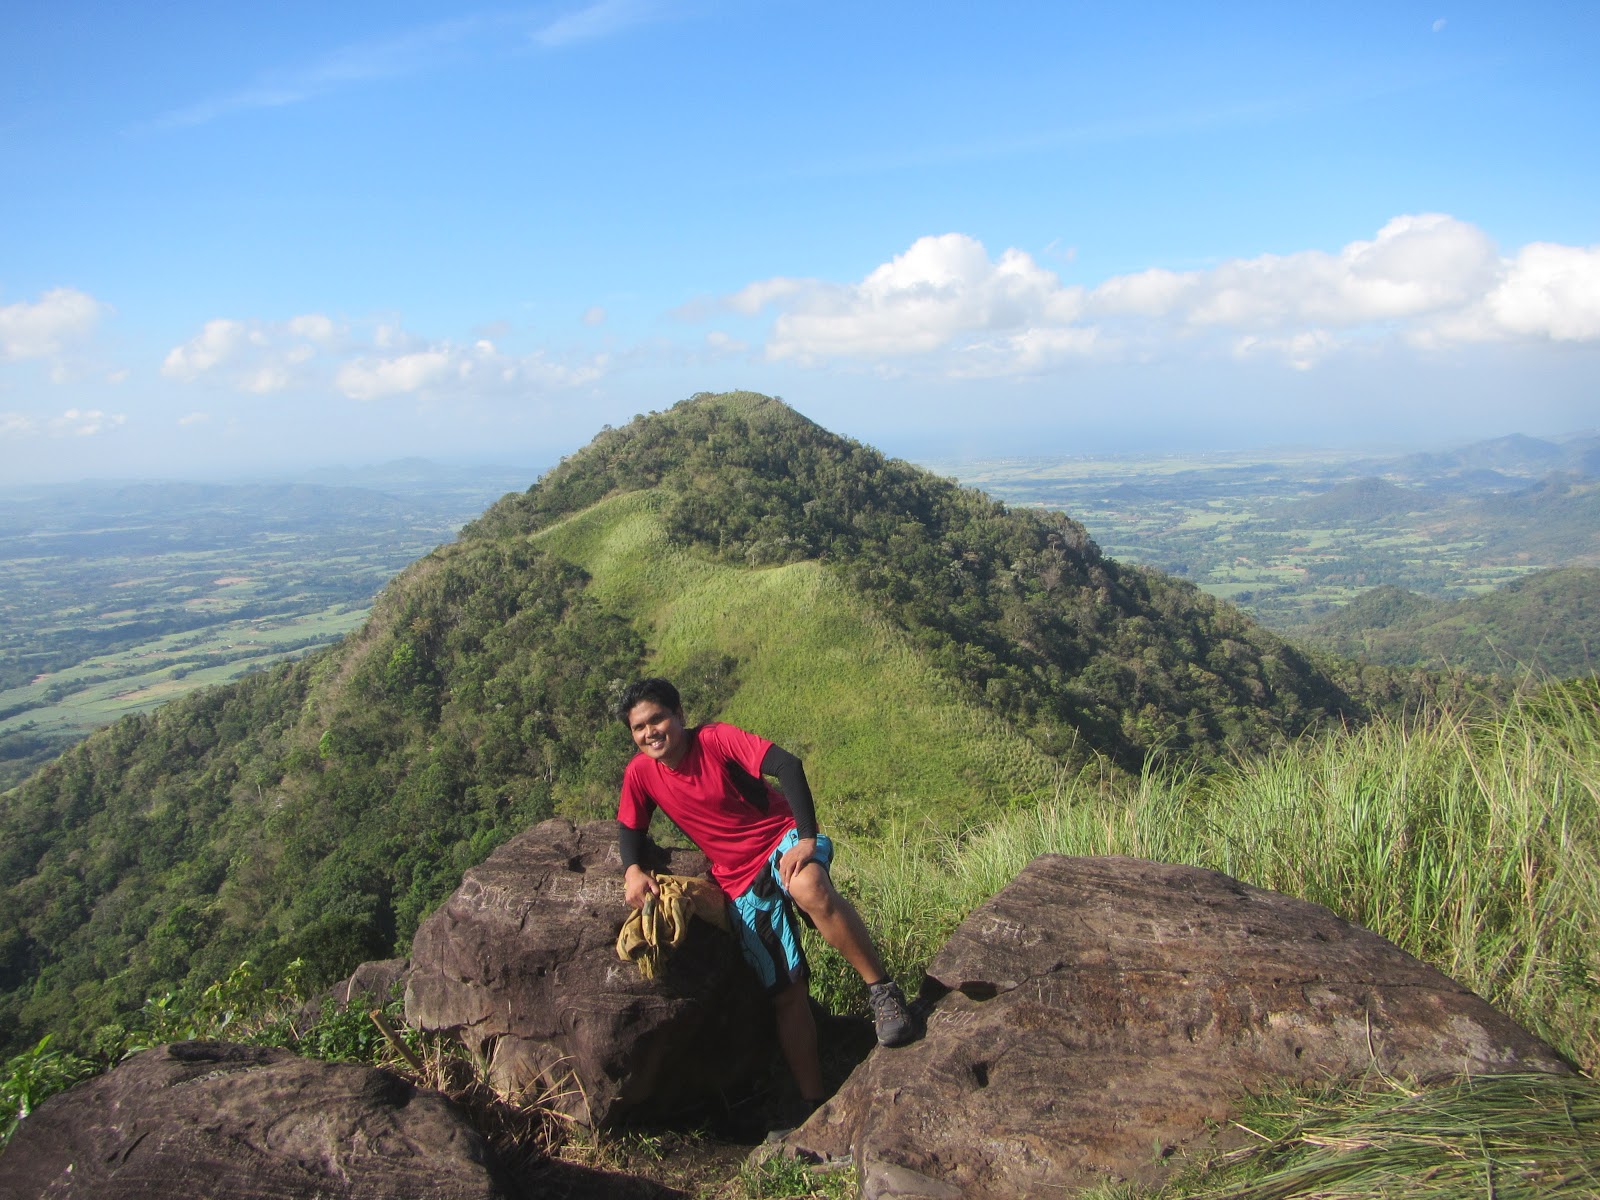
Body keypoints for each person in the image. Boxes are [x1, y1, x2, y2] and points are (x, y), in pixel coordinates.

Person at [615, 677, 914, 1107]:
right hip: (737, 878)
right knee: (784, 992)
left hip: (781, 838)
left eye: (657, 718)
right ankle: (814, 1104)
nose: (650, 732)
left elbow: (787, 765)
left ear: (679, 715)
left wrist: (807, 839)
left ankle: (883, 993)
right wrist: (632, 870)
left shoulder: (717, 740)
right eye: (639, 727)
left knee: (808, 885)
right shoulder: (641, 773)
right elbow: (631, 826)